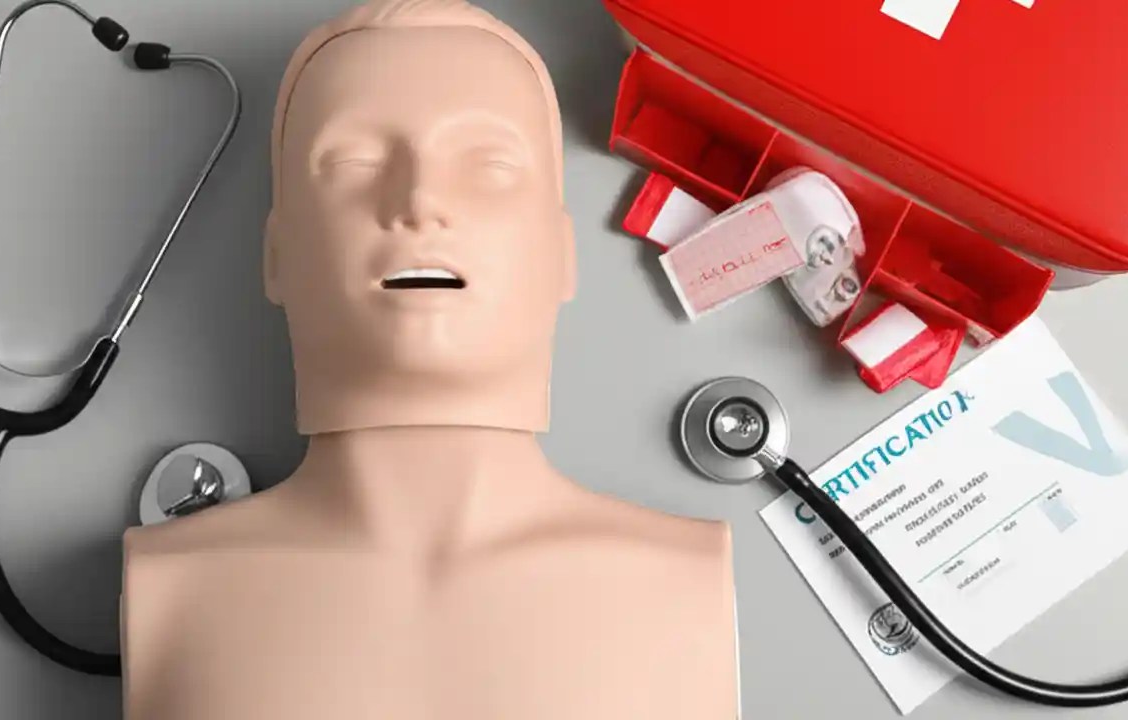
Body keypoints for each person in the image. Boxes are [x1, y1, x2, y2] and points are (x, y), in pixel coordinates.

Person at [121, 2, 738, 717]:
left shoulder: (684, 582)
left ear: (563, 256)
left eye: (488, 164)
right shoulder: (175, 586)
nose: (417, 203)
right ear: (277, 256)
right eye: (355, 162)